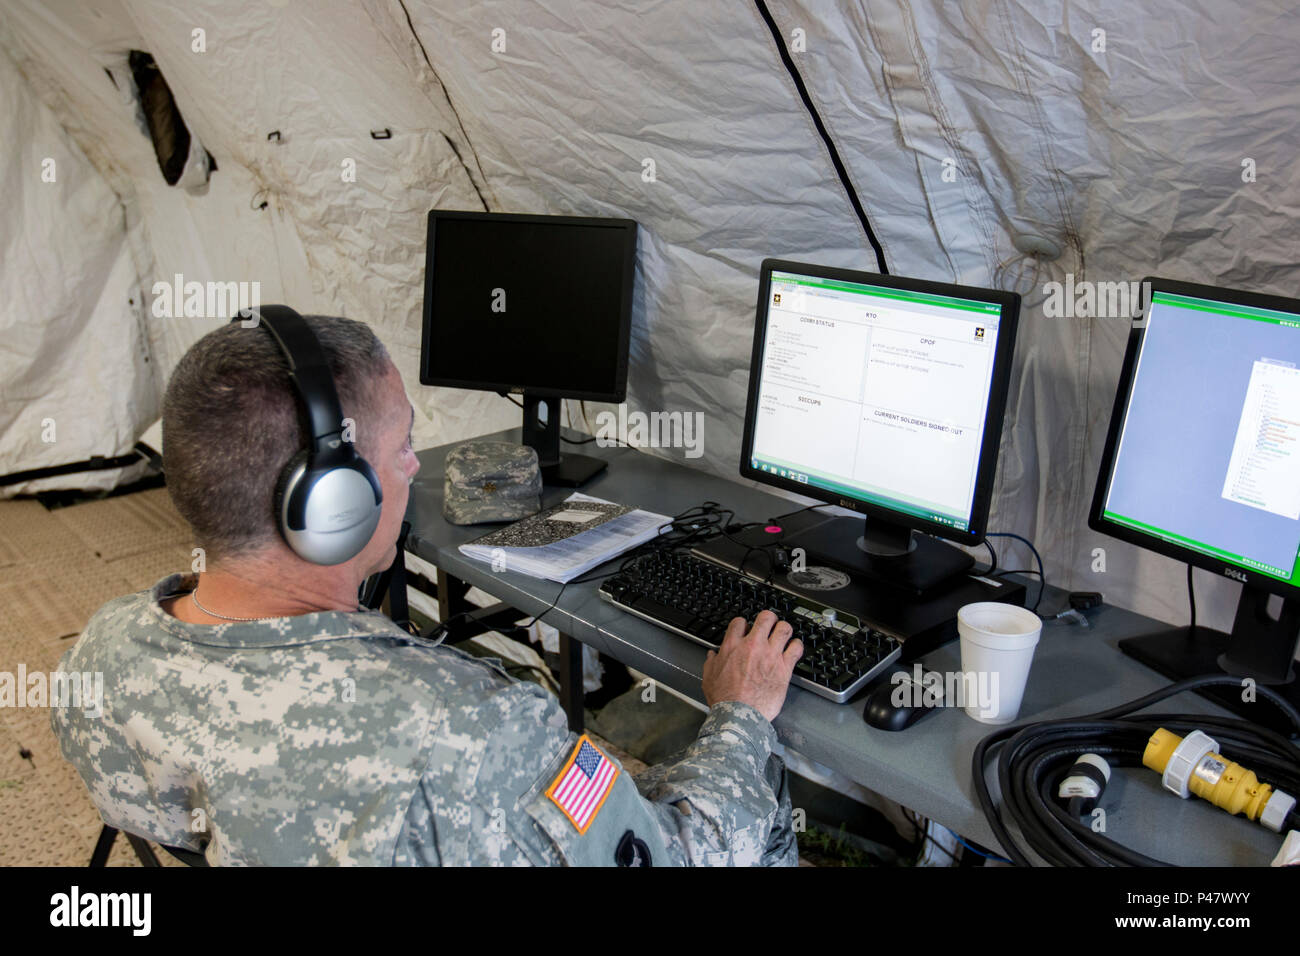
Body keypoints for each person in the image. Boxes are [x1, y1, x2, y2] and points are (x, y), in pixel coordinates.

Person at [51, 313, 804, 866]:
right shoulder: (471, 731)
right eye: (402, 446)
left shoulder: (98, 651)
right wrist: (739, 716)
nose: (415, 468)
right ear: (330, 501)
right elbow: (677, 856)